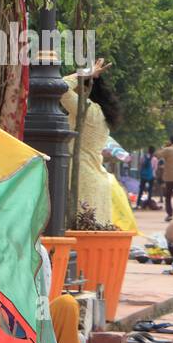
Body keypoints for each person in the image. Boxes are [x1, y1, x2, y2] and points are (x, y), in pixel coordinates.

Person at [61, 61, 121, 225]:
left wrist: (86, 72)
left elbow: (61, 87)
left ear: (85, 88)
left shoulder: (88, 110)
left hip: (83, 179)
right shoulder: (96, 113)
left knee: (80, 236)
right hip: (95, 179)